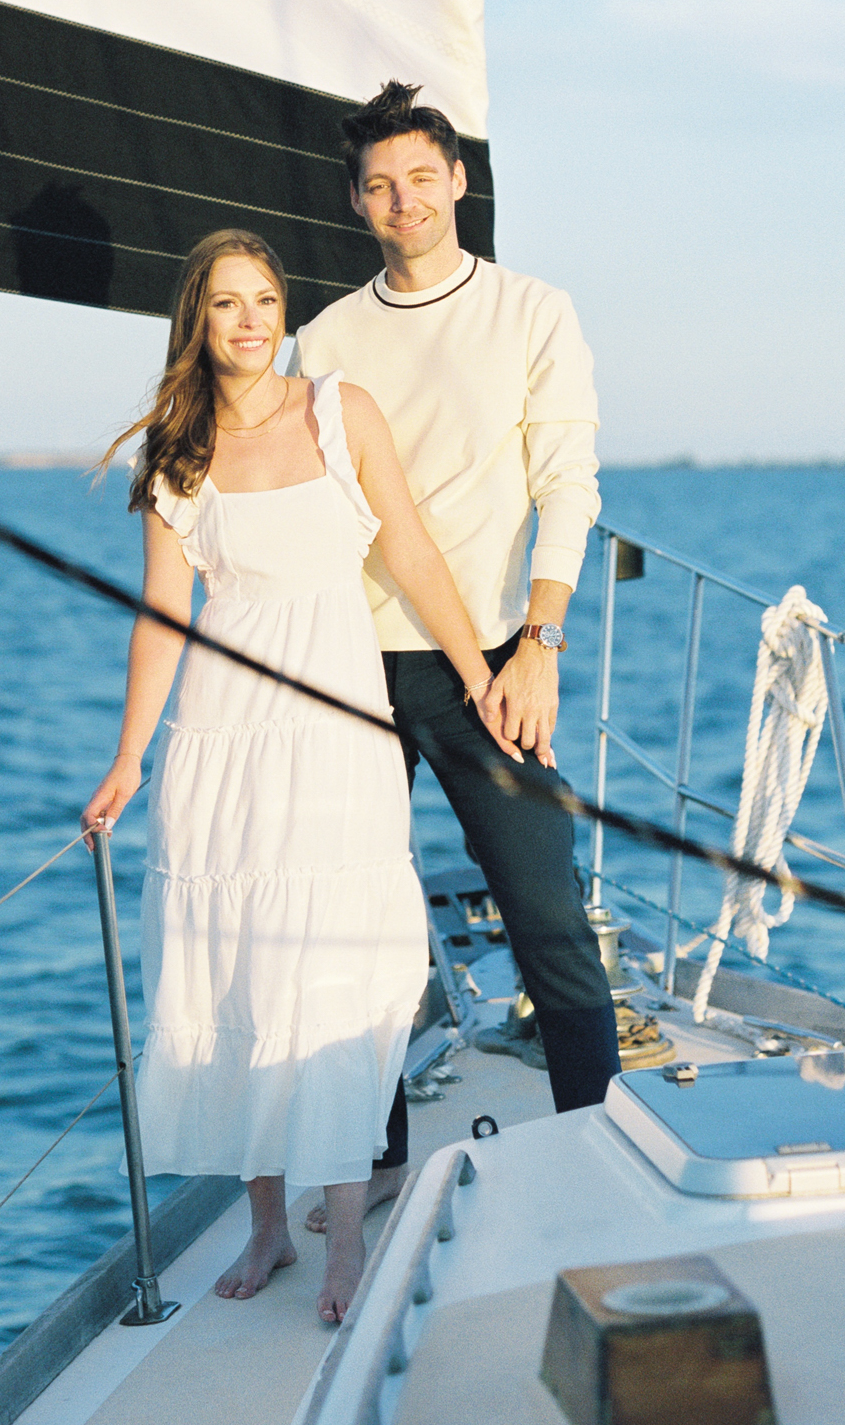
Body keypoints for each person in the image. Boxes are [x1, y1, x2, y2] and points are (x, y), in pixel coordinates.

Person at [82, 229, 516, 1326]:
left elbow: (412, 552)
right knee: (238, 971)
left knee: (335, 969)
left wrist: (482, 678)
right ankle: (268, 1221)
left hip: (334, 731)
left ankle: (345, 1234)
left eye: (265, 298)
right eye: (226, 302)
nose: (250, 318)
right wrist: (130, 753)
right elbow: (164, 615)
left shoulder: (340, 410)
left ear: (285, 310)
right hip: (222, 743)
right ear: (199, 320)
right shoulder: (179, 454)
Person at [291, 81, 620, 1229]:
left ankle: (596, 1141)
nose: (403, 199)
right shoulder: (325, 337)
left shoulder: (533, 310)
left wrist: (542, 637)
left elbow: (566, 481)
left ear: (457, 183)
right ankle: (369, 1155)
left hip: (486, 656)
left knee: (547, 915)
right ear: (358, 201)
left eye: (422, 177)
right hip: (346, 656)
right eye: (381, 184)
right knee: (351, 920)